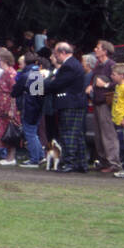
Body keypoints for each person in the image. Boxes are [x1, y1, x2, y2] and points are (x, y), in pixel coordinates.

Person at [48, 43, 89, 172]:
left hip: (70, 103)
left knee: (68, 133)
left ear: (62, 53)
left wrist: (39, 86)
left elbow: (57, 84)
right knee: (77, 135)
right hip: (75, 103)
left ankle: (69, 162)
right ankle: (81, 163)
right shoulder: (73, 64)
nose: (55, 57)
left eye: (56, 54)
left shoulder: (69, 66)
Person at [86, 40, 119, 173]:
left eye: (98, 48)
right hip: (97, 103)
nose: (95, 49)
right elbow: (93, 80)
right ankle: (104, 161)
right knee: (98, 135)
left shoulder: (112, 66)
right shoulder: (98, 66)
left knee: (108, 134)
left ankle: (114, 162)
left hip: (107, 104)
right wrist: (90, 85)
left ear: (105, 51)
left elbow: (120, 83)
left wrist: (105, 85)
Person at [12, 53, 46, 167]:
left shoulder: (26, 75)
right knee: (33, 133)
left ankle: (34, 159)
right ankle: (40, 155)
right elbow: (38, 95)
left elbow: (15, 92)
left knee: (30, 133)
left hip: (28, 107)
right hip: (37, 107)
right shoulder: (38, 74)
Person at [0, 48, 20, 164]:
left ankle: (11, 157)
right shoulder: (4, 72)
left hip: (7, 107)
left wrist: (12, 109)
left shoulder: (11, 73)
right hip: (1, 107)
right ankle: (8, 157)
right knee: (3, 131)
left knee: (9, 131)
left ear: (3, 60)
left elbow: (15, 92)